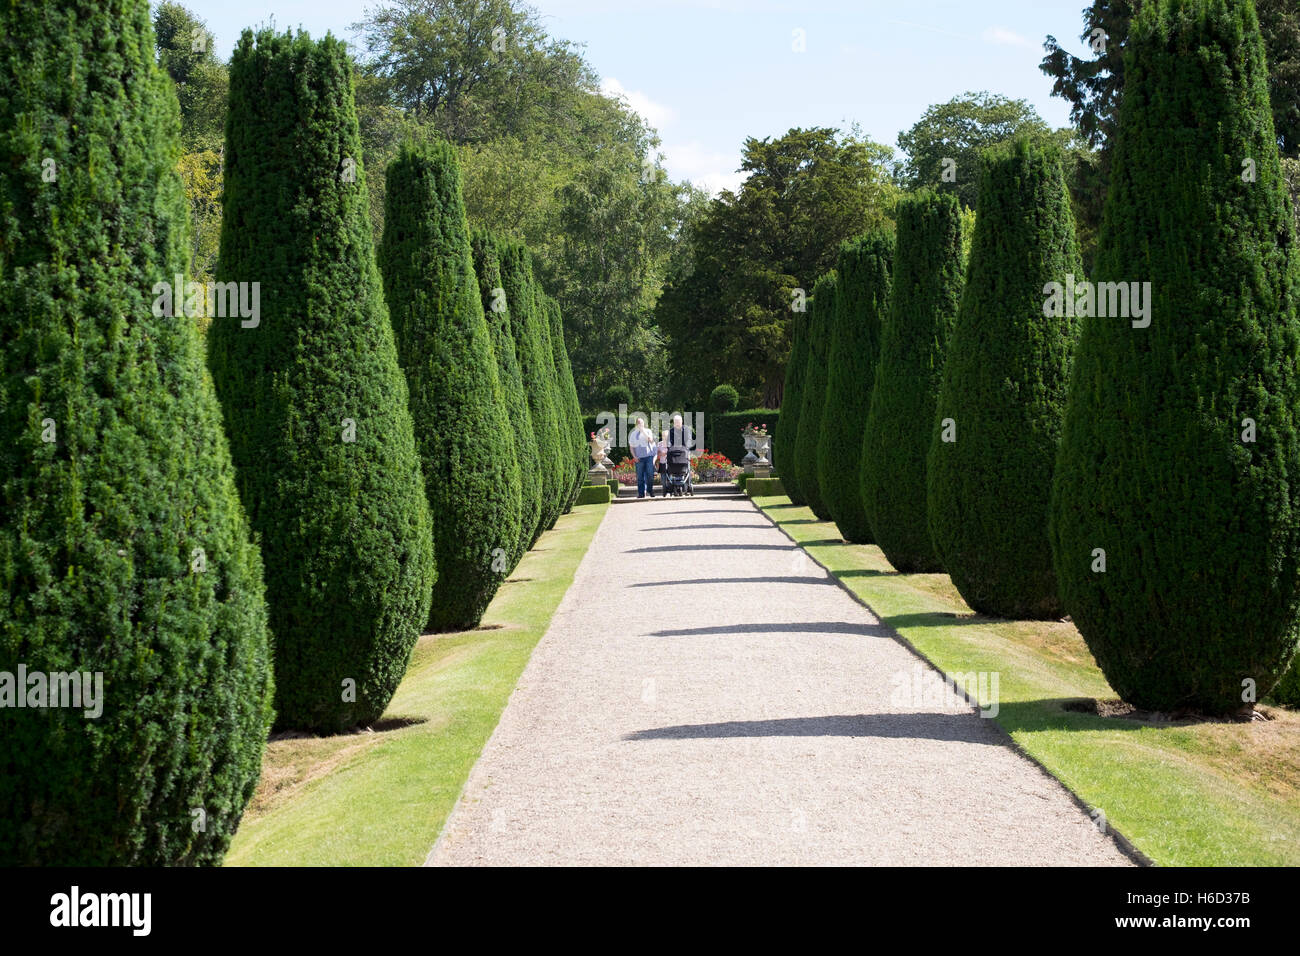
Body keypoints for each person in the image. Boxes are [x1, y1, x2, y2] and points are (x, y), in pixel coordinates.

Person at [628, 417, 658, 499]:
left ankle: (650, 490)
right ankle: (641, 493)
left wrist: (643, 431)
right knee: (640, 477)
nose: (640, 424)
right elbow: (631, 447)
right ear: (636, 424)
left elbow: (651, 440)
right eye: (638, 423)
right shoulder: (633, 434)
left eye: (641, 423)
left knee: (650, 476)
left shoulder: (648, 431)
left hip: (649, 457)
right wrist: (634, 457)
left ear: (644, 423)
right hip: (639, 458)